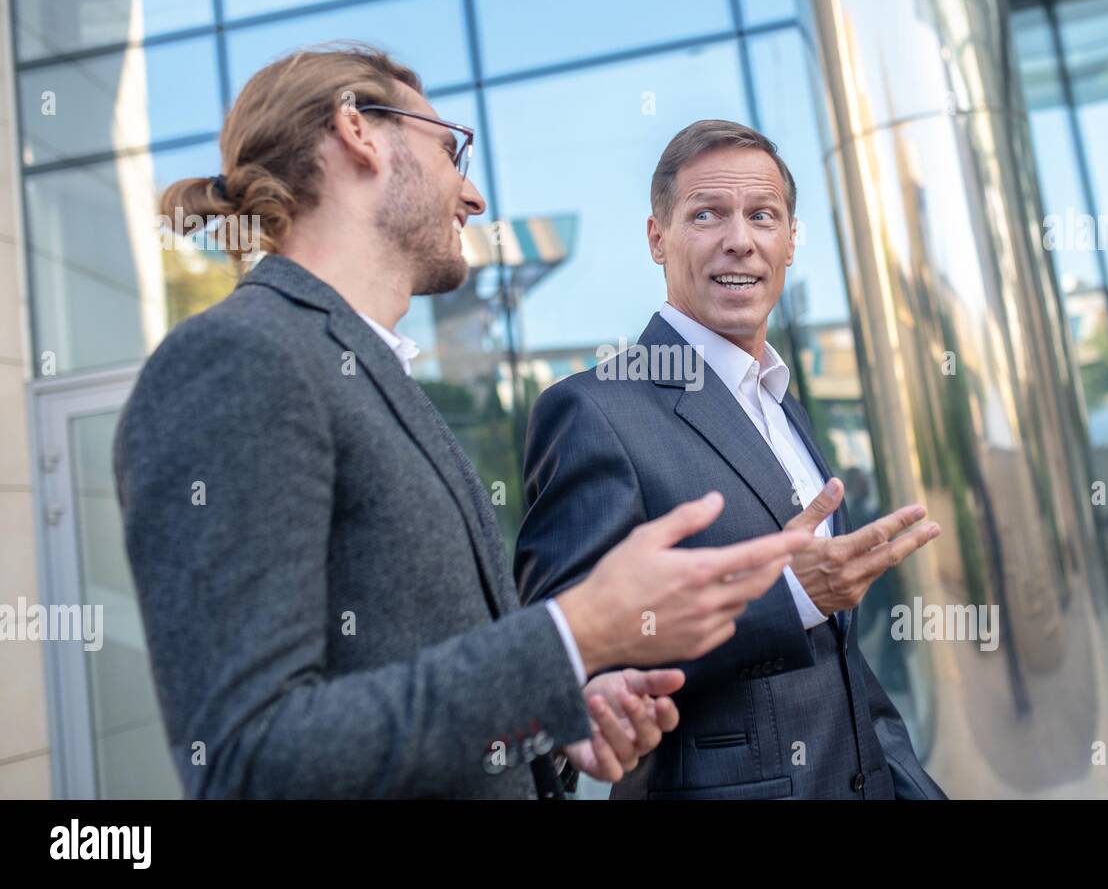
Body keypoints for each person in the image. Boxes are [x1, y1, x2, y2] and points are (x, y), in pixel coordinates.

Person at [113, 47, 808, 799]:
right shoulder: (236, 359)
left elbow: (416, 681)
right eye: (451, 150)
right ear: (358, 132)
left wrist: (554, 713)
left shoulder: (371, 373)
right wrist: (577, 633)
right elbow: (249, 763)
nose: (472, 196)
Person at [516, 120, 947, 799]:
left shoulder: (780, 405)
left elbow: (840, 661)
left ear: (790, 241)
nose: (739, 239)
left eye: (762, 215)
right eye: (707, 214)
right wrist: (790, 598)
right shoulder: (594, 411)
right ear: (658, 239)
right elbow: (569, 657)